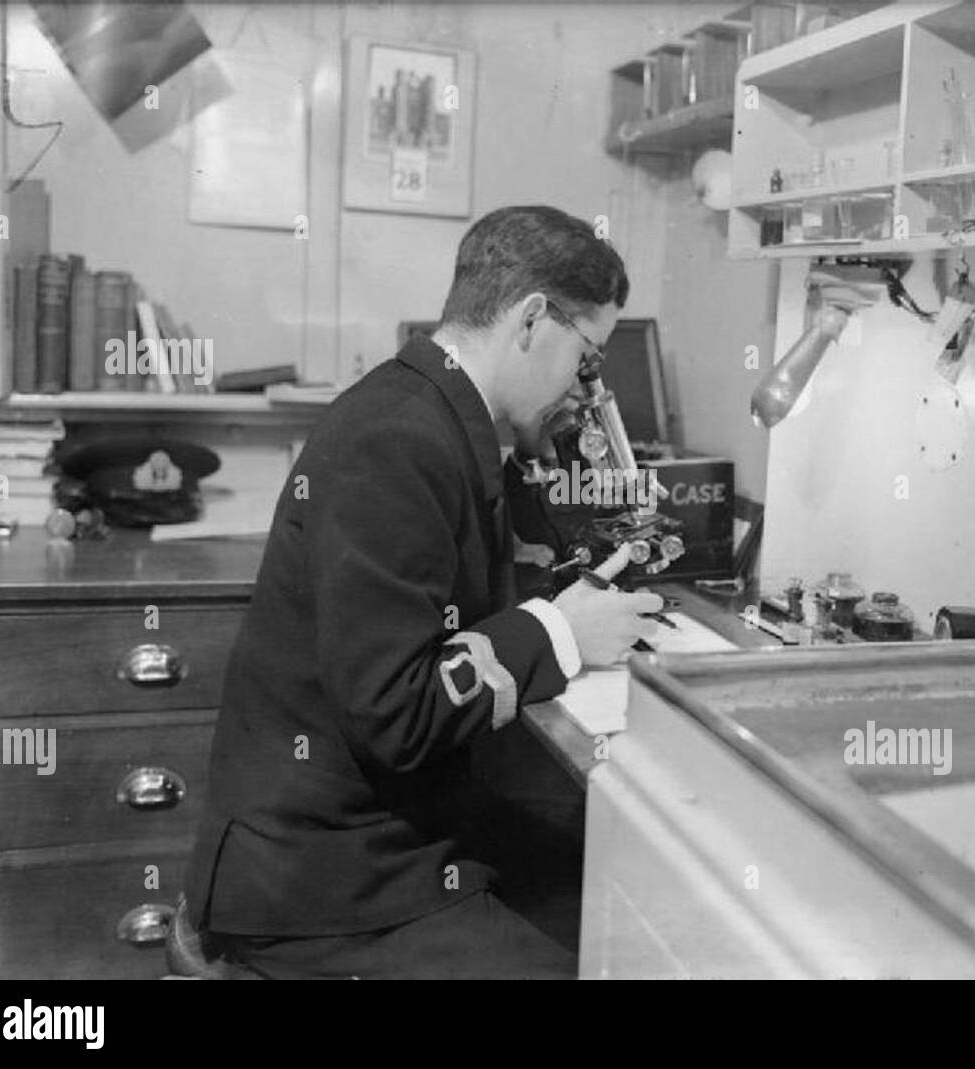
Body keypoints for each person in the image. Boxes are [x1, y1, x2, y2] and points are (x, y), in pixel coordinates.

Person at [184, 205, 662, 979]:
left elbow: (461, 603)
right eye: (586, 357)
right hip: (322, 876)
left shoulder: (438, 414)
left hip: (388, 824)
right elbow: (396, 711)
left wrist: (541, 470)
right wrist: (563, 633)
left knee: (620, 883)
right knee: (611, 957)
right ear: (532, 320)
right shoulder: (397, 439)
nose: (586, 386)